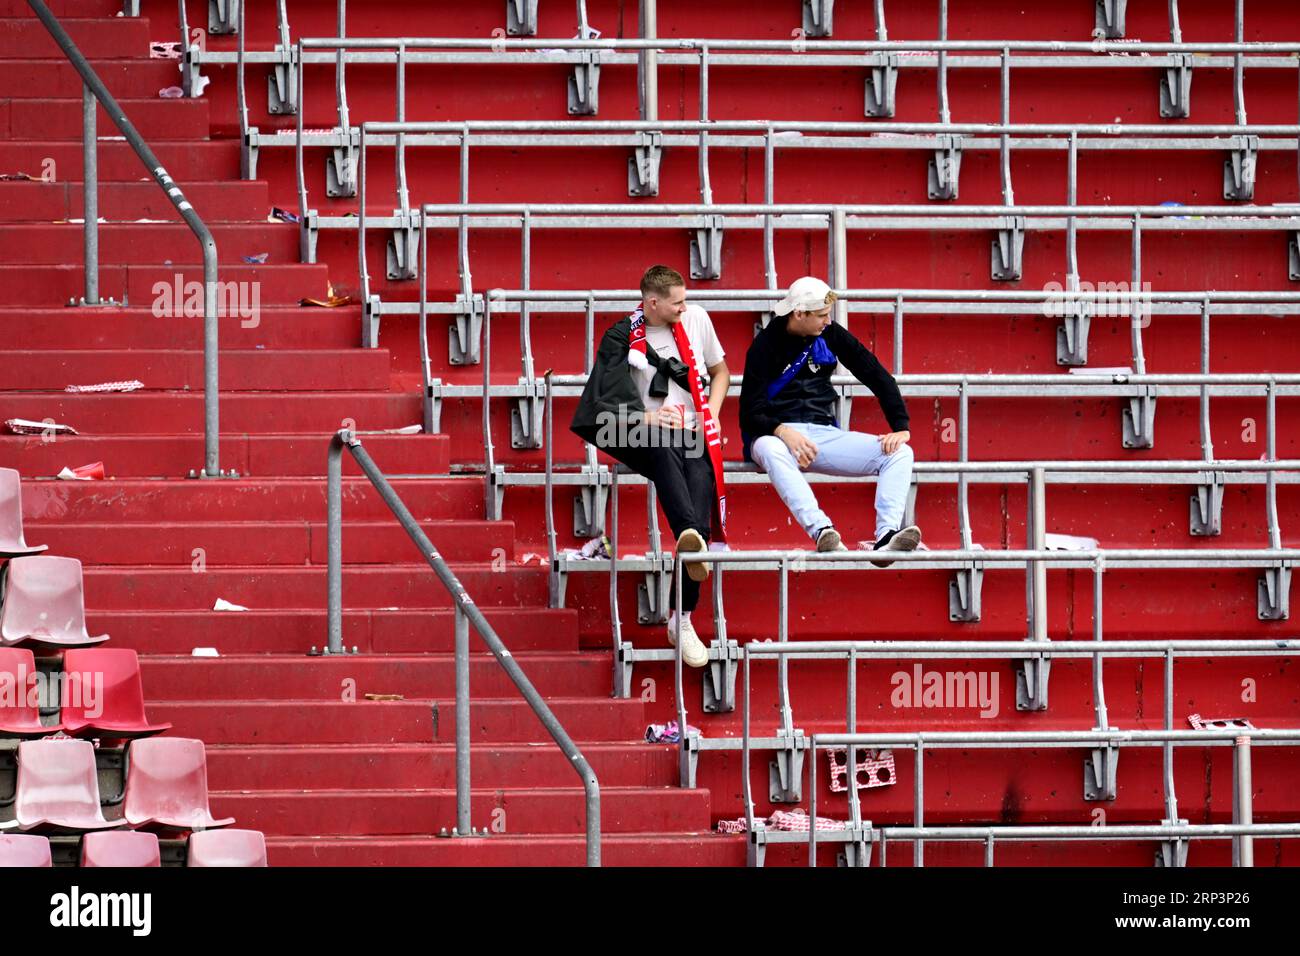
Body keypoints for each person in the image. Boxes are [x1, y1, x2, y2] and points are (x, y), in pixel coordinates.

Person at [571, 265, 731, 668]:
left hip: (692, 431)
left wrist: (709, 412)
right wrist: (650, 418)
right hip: (641, 430)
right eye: (676, 302)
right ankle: (689, 544)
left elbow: (720, 372)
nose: (684, 307)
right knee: (664, 451)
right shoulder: (621, 336)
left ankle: (684, 617)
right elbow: (604, 405)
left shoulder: (696, 320)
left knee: (699, 492)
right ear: (653, 302)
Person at [739, 276, 921, 565]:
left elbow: (875, 373)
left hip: (820, 433)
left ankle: (886, 537)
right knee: (772, 449)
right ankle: (822, 529)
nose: (828, 321)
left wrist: (901, 427)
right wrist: (783, 431)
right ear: (800, 313)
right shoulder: (764, 346)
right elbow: (749, 412)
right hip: (772, 436)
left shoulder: (831, 333)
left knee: (900, 453)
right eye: (822, 315)